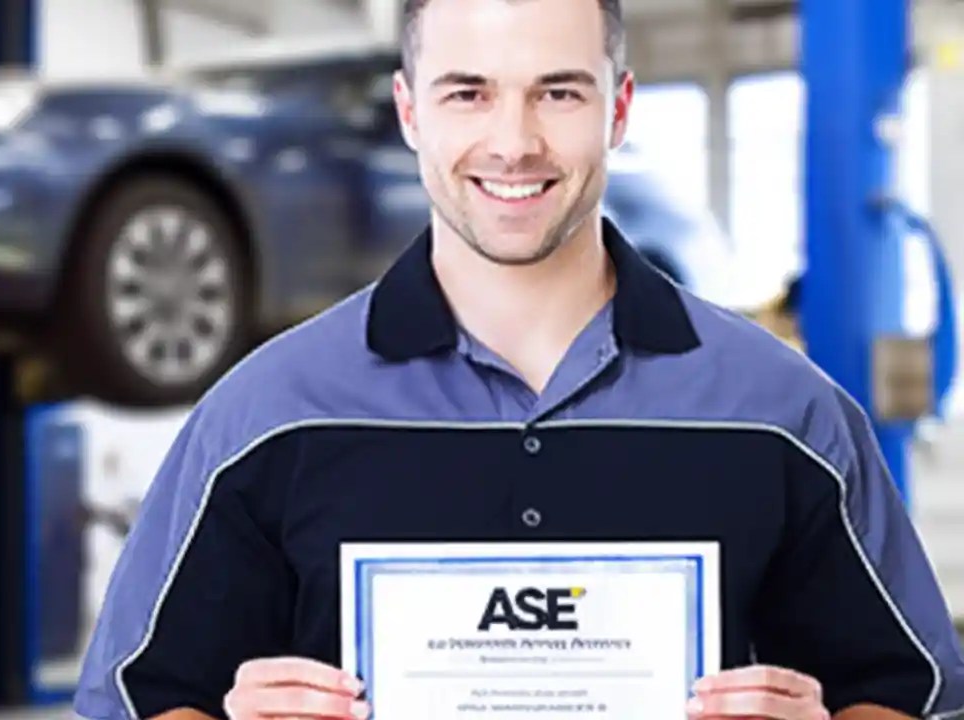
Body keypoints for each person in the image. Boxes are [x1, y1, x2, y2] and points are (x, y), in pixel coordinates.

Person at [74, 0, 964, 718]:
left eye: (559, 93)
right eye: (468, 92)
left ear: (619, 109)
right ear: (409, 111)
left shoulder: (784, 416)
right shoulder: (264, 418)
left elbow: (908, 694)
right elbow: (140, 698)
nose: (513, 142)